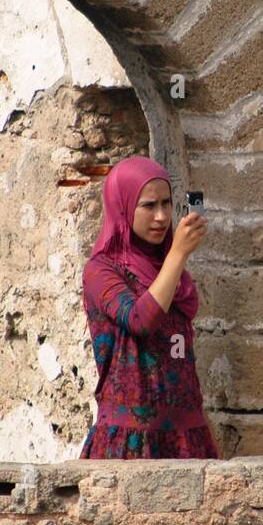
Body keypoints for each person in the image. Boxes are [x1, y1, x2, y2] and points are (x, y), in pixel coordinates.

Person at [79, 155, 220, 459]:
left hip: (184, 438)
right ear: (124, 206)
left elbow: (180, 353)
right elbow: (140, 319)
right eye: (149, 206)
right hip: (131, 442)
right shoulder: (102, 270)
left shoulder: (171, 273)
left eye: (167, 204)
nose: (161, 217)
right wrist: (177, 255)